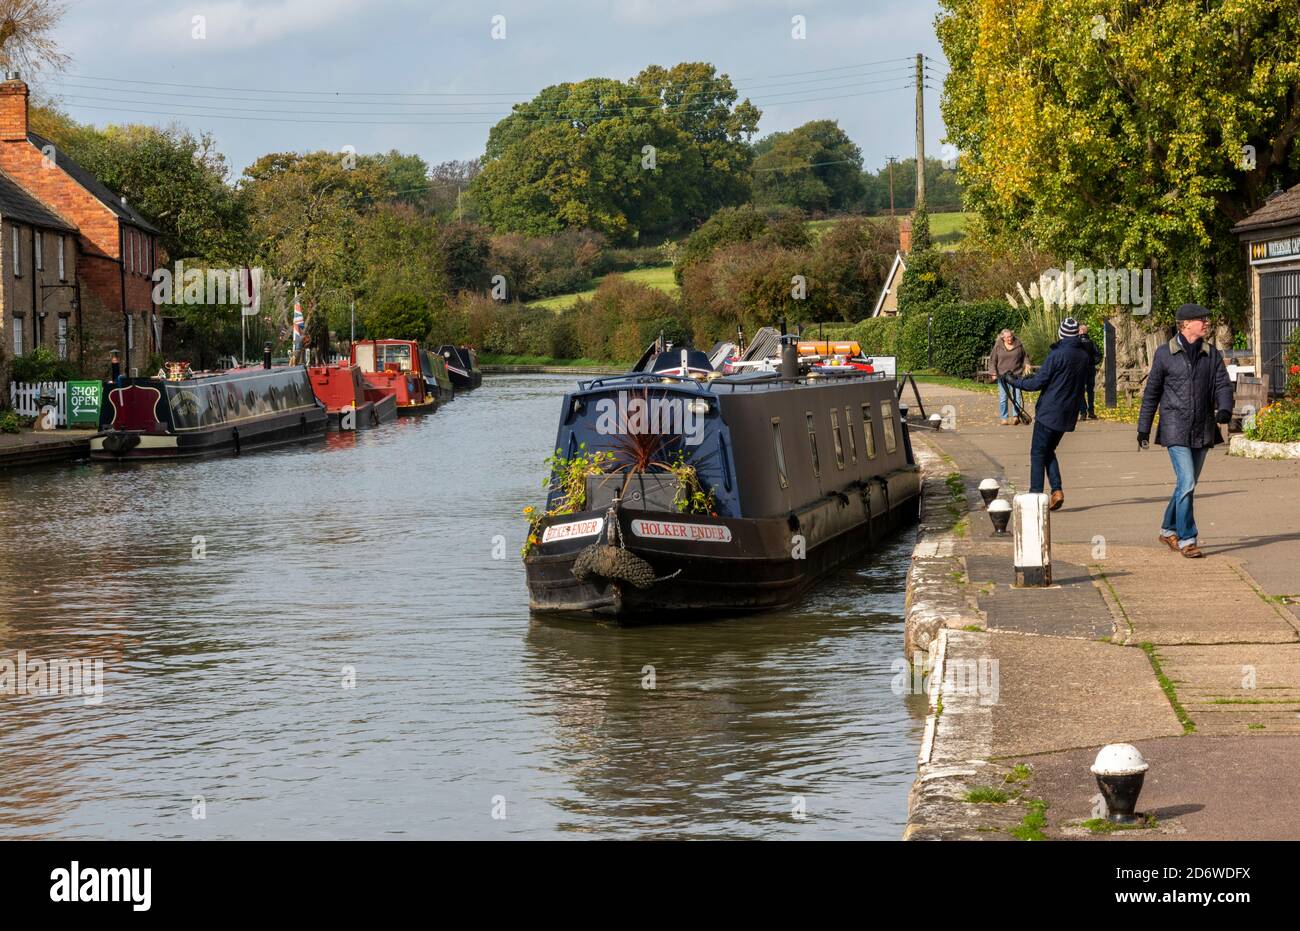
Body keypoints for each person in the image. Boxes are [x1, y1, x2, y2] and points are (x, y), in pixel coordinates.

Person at [1136, 303, 1233, 558]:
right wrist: (1143, 429)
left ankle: (1168, 529)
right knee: (1188, 482)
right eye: (1201, 319)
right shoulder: (1164, 354)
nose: (1206, 323)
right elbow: (1152, 393)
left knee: (1185, 485)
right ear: (1185, 324)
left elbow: (1223, 384)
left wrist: (1224, 408)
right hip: (1175, 427)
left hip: (1203, 428)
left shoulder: (1211, 353)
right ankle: (1187, 539)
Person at [1003, 317, 1094, 511]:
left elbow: (1038, 383)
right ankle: (1057, 490)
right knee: (1048, 450)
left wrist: (1014, 381)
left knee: (1037, 452)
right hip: (1068, 413)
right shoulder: (1083, 356)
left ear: (1062, 334)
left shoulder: (1057, 354)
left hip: (1050, 411)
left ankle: (1035, 496)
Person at [989, 328, 1027, 425]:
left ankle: (1016, 416)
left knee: (1017, 396)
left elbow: (1024, 356)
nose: (1009, 339)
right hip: (1002, 375)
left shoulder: (1018, 344)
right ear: (1003, 338)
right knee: (1003, 397)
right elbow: (993, 360)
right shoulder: (998, 346)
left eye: (1010, 336)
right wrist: (993, 372)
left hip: (1016, 375)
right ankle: (1004, 418)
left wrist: (1027, 364)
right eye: (1007, 337)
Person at [1077, 324, 1101, 419]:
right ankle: (1091, 411)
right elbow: (1098, 354)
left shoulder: (1077, 343)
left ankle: (1083, 412)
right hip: (1091, 369)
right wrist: (1092, 362)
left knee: (1080, 390)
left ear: (1081, 331)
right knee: (1091, 390)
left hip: (1080, 369)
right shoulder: (1091, 342)